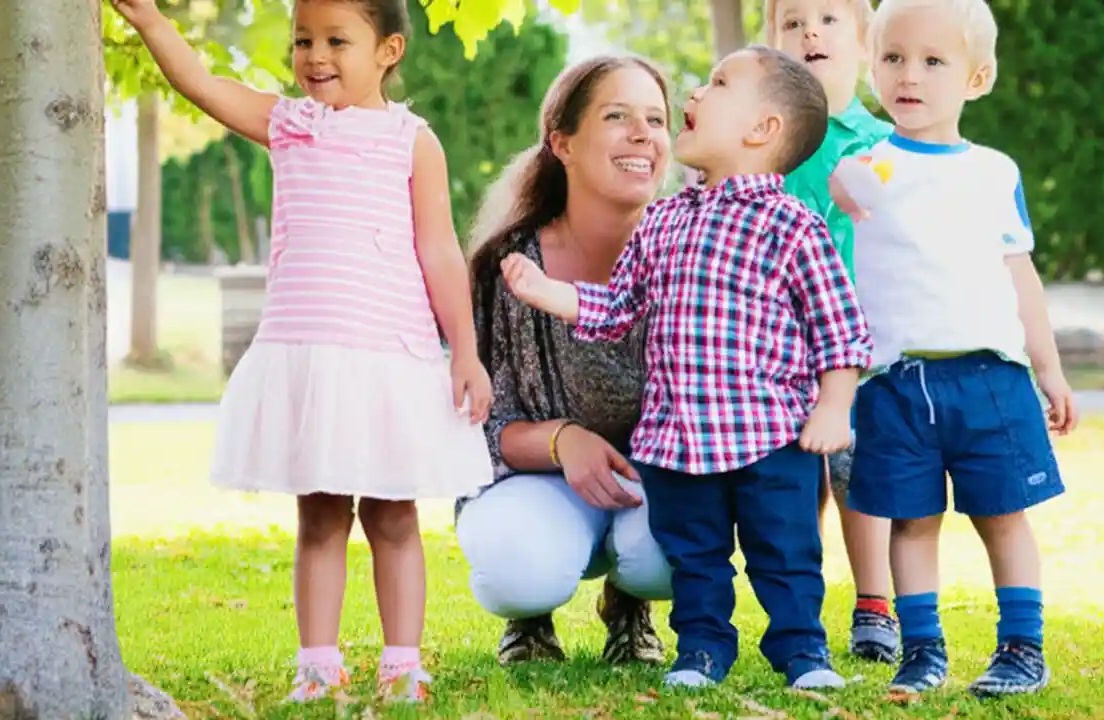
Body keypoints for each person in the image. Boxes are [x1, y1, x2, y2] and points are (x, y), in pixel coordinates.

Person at [111, 0, 494, 703]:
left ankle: (402, 665)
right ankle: (318, 666)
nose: (315, 56)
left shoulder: (413, 141)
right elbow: (201, 85)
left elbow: (439, 251)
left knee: (392, 516)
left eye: (336, 41)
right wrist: (153, 24)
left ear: (389, 50)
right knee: (319, 516)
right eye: (303, 41)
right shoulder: (290, 125)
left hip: (388, 356)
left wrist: (464, 351)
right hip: (310, 354)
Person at [501, 46, 873, 690]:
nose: (695, 94)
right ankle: (700, 651)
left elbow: (840, 329)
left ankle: (803, 652)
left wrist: (834, 407)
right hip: (678, 441)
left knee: (786, 554)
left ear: (761, 131)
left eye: (720, 84)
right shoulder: (664, 220)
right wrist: (548, 293)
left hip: (771, 438)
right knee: (695, 557)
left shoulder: (791, 224)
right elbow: (617, 307)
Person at [829, 0, 1078, 698]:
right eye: (894, 58)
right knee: (911, 521)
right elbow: (846, 200)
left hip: (989, 376)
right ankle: (923, 650)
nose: (910, 75)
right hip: (896, 383)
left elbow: (1019, 274)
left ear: (977, 78)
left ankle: (1021, 649)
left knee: (1002, 515)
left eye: (934, 61)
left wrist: (1050, 370)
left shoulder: (994, 172)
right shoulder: (866, 167)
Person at [458, 56, 675, 667]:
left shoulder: (693, 252)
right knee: (517, 568)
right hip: (535, 481)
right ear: (562, 143)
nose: (643, 135)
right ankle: (529, 617)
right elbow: (481, 427)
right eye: (617, 116)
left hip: (657, 483)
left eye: (656, 119)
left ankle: (631, 602)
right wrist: (564, 441)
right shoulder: (506, 266)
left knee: (673, 547)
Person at [765, 0, 900, 663]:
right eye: (792, 22)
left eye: (828, 18)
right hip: (780, 344)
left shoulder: (885, 142)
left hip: (862, 344)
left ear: (865, 40)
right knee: (798, 478)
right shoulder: (767, 144)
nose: (810, 31)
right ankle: (798, 603)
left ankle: (875, 603)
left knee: (857, 473)